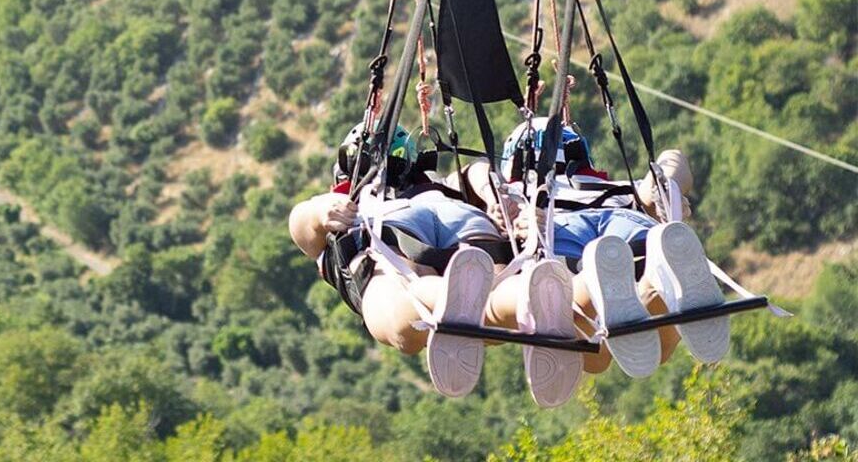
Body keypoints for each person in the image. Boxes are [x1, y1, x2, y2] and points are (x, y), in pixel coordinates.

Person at [289, 123, 588, 406]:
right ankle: (531, 300)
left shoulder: (347, 206)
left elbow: (300, 223)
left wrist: (321, 209)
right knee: (496, 286)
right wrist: (492, 194)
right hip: (461, 216)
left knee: (400, 315)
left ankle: (445, 297)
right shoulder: (443, 186)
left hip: (390, 225)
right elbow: (478, 170)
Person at [464, 117, 730, 379]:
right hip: (626, 221)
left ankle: (593, 284)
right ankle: (656, 278)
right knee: (658, 348)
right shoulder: (614, 187)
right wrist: (667, 187)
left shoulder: (516, 192)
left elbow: (472, 171)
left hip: (557, 227)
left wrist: (493, 196)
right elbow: (674, 158)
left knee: (579, 327)